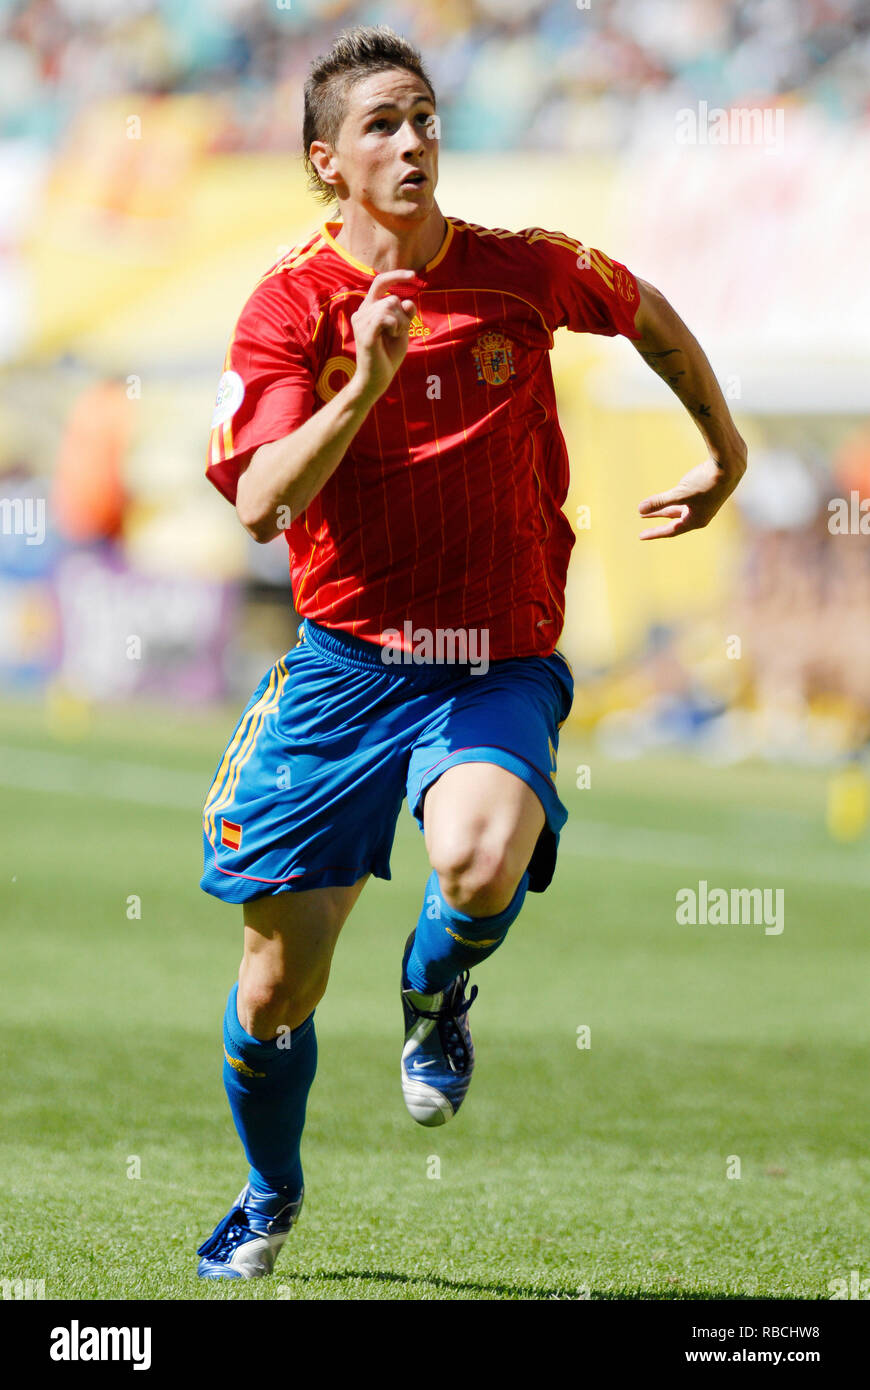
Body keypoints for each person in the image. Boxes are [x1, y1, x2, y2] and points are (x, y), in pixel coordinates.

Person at [196, 25, 747, 1278]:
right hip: (345, 670)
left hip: (498, 658)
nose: (412, 139)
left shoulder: (521, 270)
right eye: (381, 124)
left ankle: (436, 996)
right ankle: (270, 1193)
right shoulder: (290, 305)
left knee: (480, 853)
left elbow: (646, 310)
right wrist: (365, 383)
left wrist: (724, 446)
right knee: (276, 991)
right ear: (326, 160)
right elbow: (259, 499)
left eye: (426, 114)